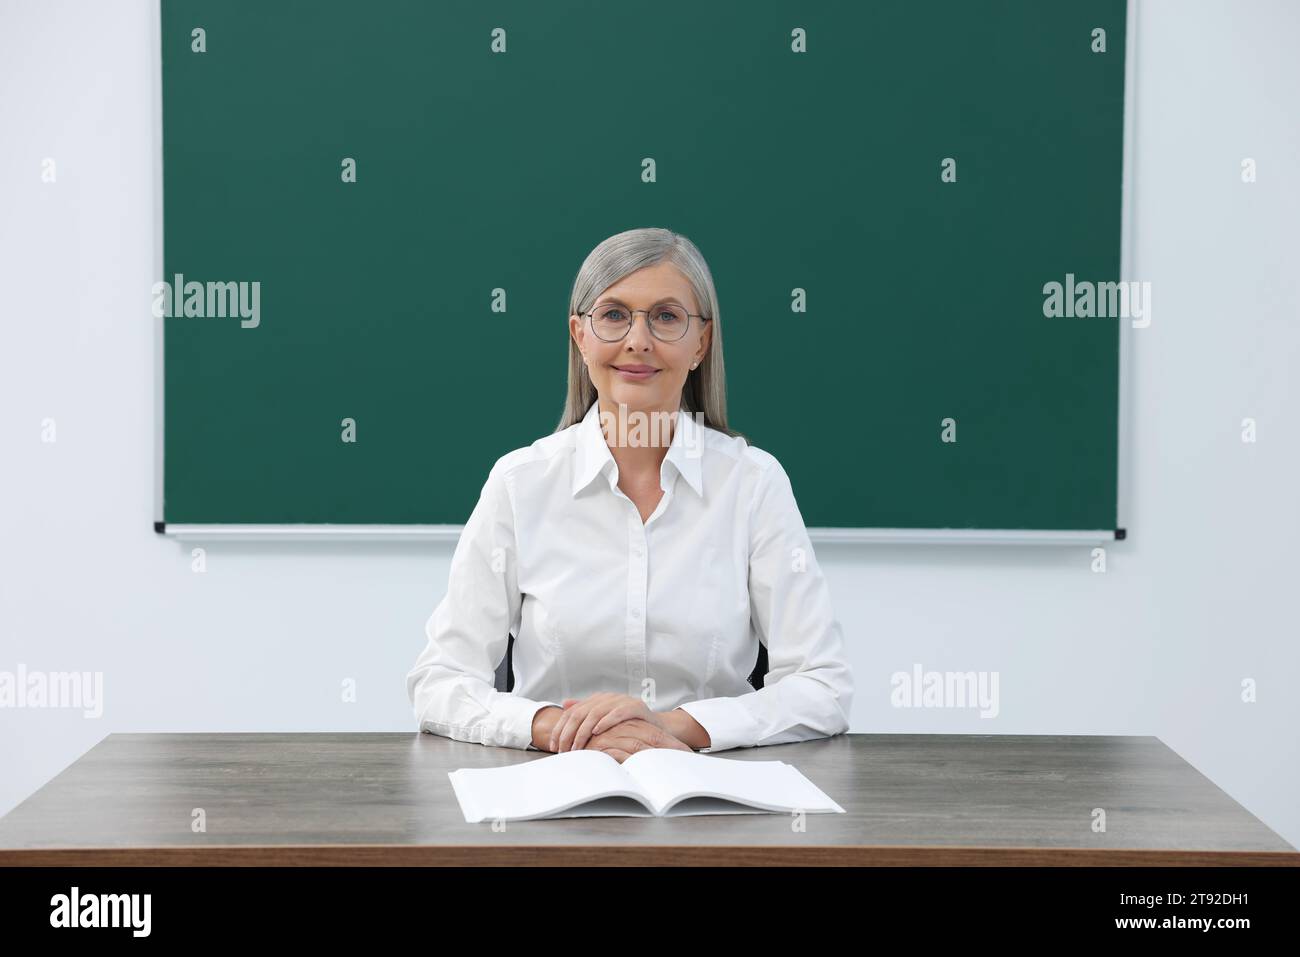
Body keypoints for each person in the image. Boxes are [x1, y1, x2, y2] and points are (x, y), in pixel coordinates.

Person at [406, 227, 853, 760]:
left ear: (700, 344)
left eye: (666, 317)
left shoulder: (753, 484)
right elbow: (438, 682)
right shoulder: (520, 483)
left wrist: (671, 727)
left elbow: (822, 687)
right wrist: (557, 727)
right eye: (615, 315)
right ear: (580, 335)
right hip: (552, 791)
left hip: (708, 795)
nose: (638, 340)